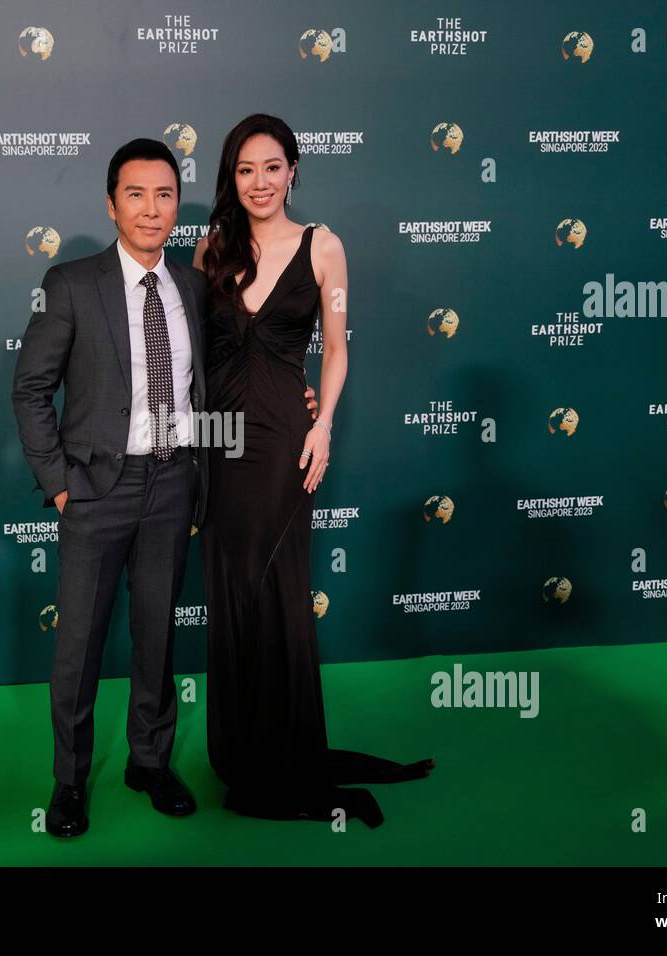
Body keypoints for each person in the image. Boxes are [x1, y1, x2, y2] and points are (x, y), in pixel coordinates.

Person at [11, 137, 316, 838]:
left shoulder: (191, 286)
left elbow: (239, 365)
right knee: (79, 646)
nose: (153, 209)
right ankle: (69, 782)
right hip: (97, 489)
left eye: (165, 194)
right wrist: (61, 485)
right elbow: (30, 391)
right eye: (137, 194)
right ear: (111, 205)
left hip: (176, 484)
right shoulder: (72, 284)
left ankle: (148, 762)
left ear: (179, 205)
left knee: (157, 638)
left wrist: (293, 397)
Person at [193, 114, 435, 829]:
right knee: (232, 587)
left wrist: (322, 422)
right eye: (245, 169)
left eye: (272, 167)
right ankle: (242, 753)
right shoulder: (212, 251)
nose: (259, 182)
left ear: (294, 170)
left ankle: (288, 751)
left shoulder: (323, 246)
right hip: (221, 440)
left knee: (277, 586)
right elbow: (202, 354)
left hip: (287, 440)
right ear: (229, 178)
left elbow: (334, 348)